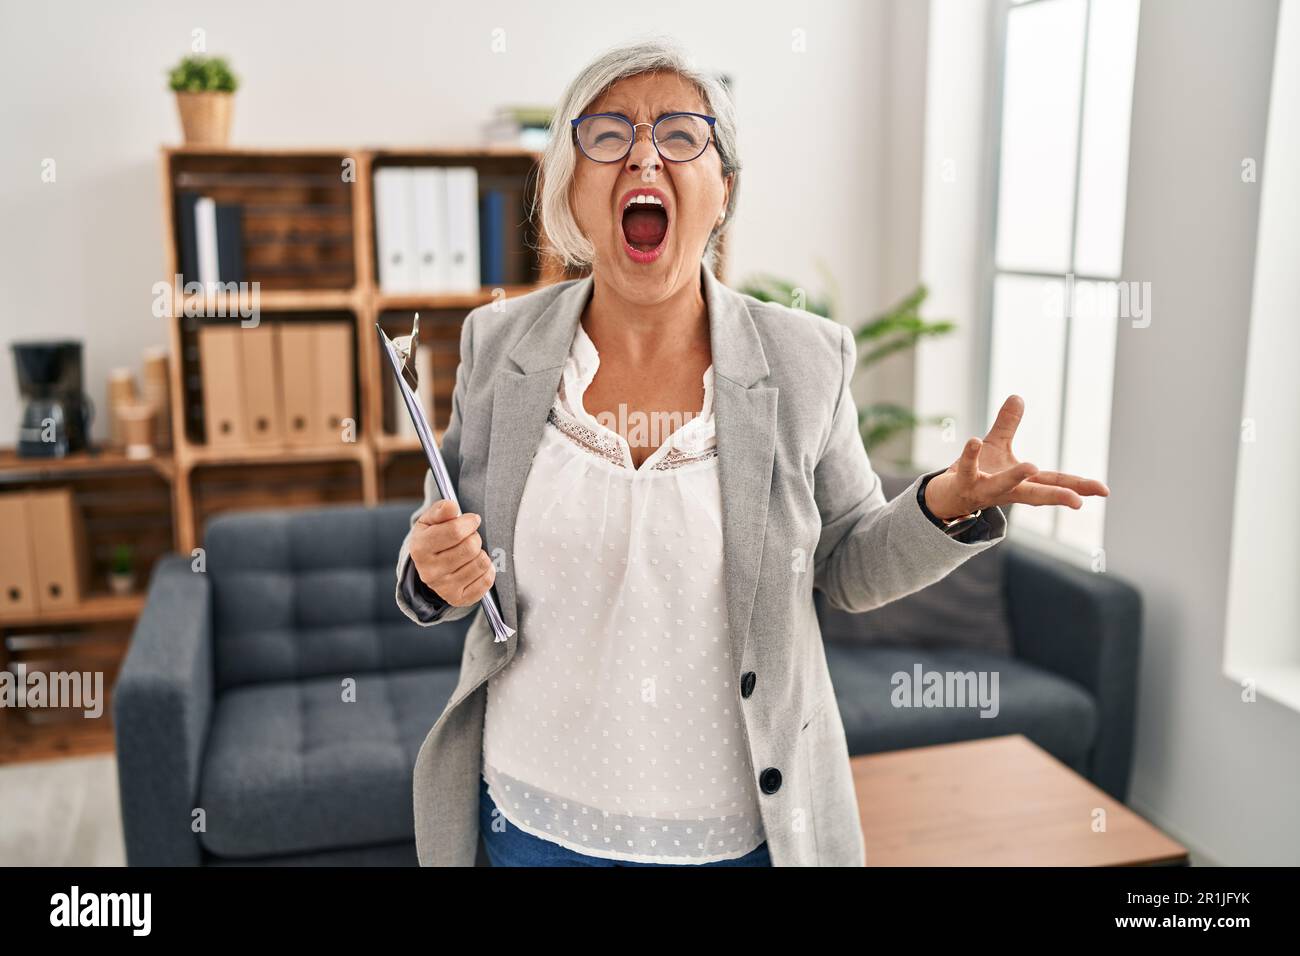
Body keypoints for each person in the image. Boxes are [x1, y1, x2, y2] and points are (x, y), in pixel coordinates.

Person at [394, 37, 1108, 867]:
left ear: (722, 189)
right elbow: (445, 533)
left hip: (737, 834)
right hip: (531, 820)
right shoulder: (497, 345)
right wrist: (430, 571)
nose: (644, 157)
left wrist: (946, 504)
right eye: (608, 135)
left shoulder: (806, 359)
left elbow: (845, 566)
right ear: (570, 186)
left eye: (681, 135)